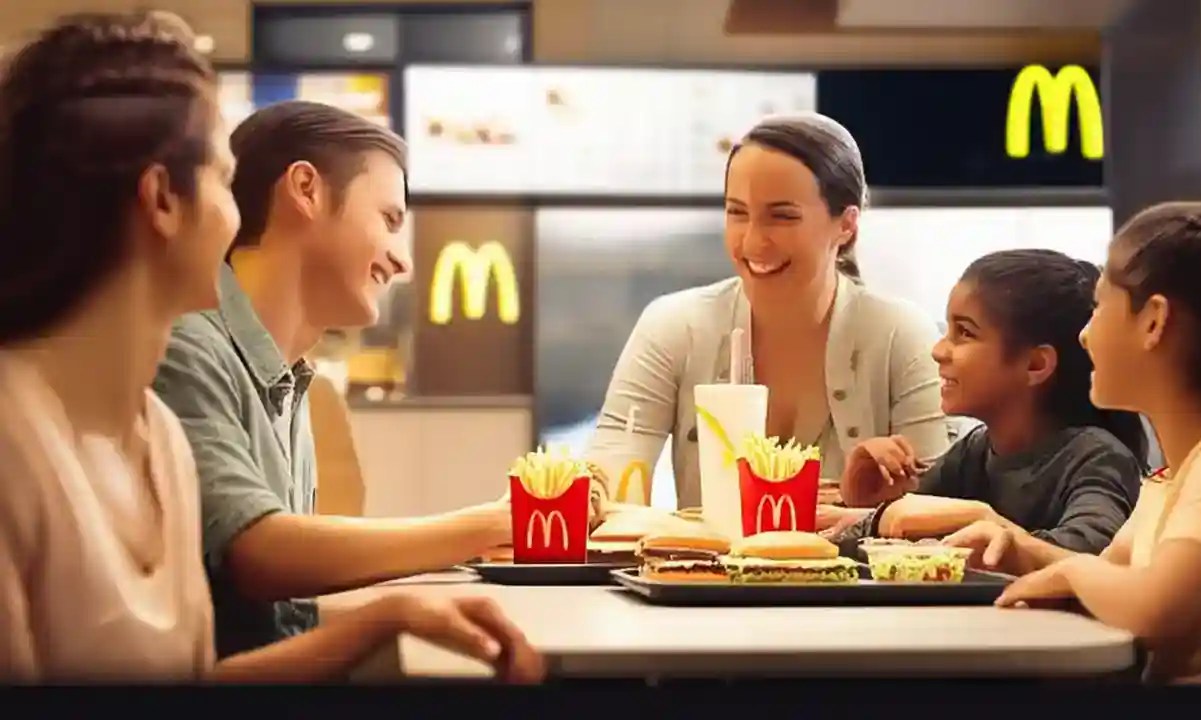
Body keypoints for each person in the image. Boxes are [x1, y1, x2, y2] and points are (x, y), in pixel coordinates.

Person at [0, 11, 541, 683]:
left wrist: (393, 617)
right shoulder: (16, 448)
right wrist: (489, 528)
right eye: (222, 181)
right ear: (162, 198)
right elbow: (259, 556)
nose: (236, 213)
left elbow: (204, 678)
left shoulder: (159, 438)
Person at [151, 99, 518, 658]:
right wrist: (490, 525)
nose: (403, 261)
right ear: (306, 189)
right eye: (390, 220)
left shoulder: (289, 380)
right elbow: (258, 552)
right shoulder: (189, 346)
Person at [950, 202, 1201, 683]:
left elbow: (1155, 605)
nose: (1084, 335)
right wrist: (1020, 548)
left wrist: (1070, 576)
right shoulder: (1173, 476)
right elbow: (1116, 576)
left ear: (1153, 322)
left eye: (1101, 305)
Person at [585, 112, 949, 509]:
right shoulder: (676, 326)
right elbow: (607, 480)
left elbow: (944, 507)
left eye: (783, 216)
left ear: (845, 225)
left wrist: (882, 495)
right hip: (701, 570)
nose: (754, 242)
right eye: (737, 212)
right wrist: (584, 497)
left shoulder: (901, 333)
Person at [826, 250, 1147, 554]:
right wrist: (874, 505)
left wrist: (982, 522)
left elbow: (1089, 556)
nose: (938, 350)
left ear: (1035, 365)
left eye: (964, 333)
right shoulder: (973, 453)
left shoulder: (1097, 458)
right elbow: (903, 542)